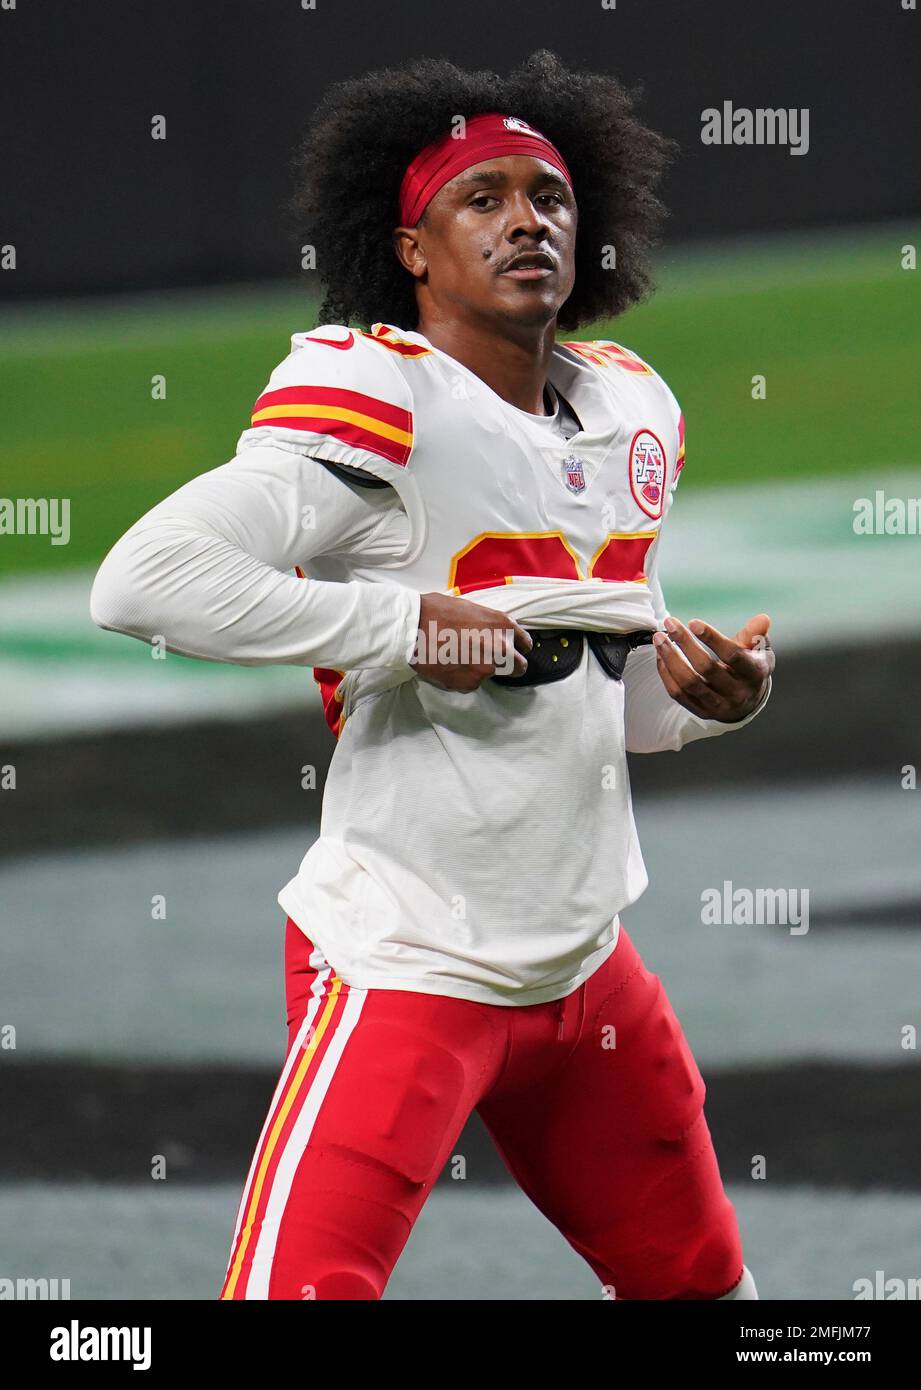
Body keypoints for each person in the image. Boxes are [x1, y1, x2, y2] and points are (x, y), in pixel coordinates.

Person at [90, 50, 773, 1301]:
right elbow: (141, 581)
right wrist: (403, 628)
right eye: (485, 198)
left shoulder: (628, 411)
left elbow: (618, 702)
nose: (528, 221)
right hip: (405, 961)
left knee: (708, 1294)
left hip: (586, 966)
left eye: (553, 197)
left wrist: (706, 695)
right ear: (411, 247)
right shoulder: (379, 397)